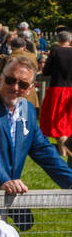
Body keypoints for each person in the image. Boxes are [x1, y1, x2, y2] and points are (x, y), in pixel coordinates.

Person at [0, 52, 72, 203]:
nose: (15, 87)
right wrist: (4, 181)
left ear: (30, 88)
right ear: (0, 79)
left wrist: (70, 181)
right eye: (10, 80)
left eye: (22, 84)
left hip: (6, 195)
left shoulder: (26, 109)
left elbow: (43, 151)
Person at [39, 29, 72, 162]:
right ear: (70, 40)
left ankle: (63, 152)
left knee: (58, 121)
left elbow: (46, 71)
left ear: (58, 40)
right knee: (68, 121)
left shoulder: (55, 51)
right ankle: (65, 152)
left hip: (58, 89)